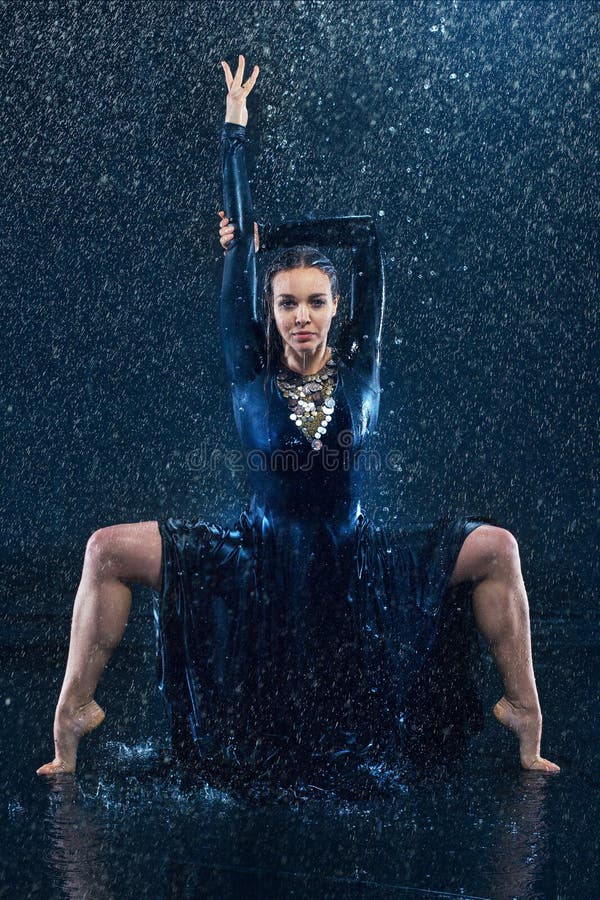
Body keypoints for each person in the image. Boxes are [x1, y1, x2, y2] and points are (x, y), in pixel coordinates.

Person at [37, 55, 559, 780]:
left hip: (354, 556)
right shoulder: (249, 372)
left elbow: (368, 238)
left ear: (338, 307)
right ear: (271, 310)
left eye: (316, 301)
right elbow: (242, 267)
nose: (302, 316)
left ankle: (523, 711)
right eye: (287, 302)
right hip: (258, 556)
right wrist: (235, 138)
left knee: (498, 547)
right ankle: (74, 711)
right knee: (105, 550)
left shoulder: (363, 369)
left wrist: (269, 234)